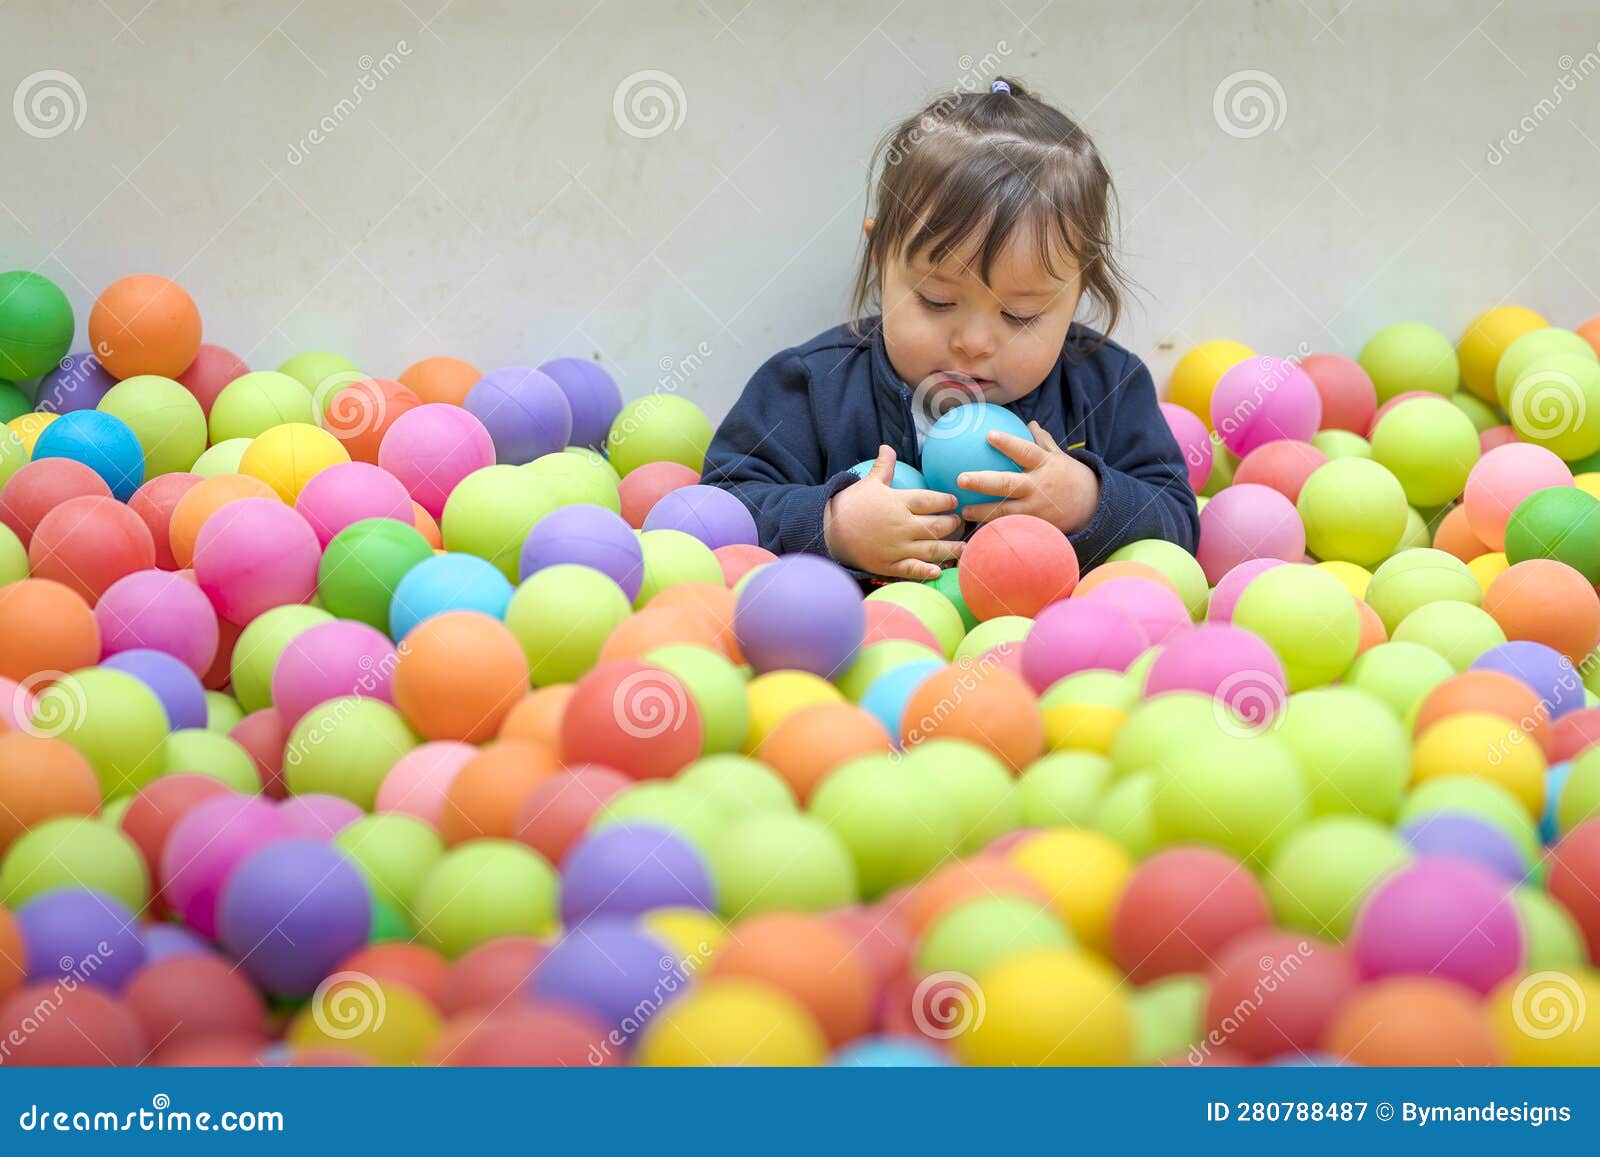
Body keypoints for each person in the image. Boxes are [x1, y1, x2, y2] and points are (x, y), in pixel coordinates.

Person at [701, 76, 1199, 583]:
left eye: (1020, 315)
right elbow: (719, 506)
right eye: (937, 300)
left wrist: (1089, 501)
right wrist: (833, 527)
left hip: (1040, 653)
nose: (974, 343)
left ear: (1080, 287)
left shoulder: (1106, 389)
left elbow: (1178, 519)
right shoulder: (810, 388)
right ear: (881, 257)